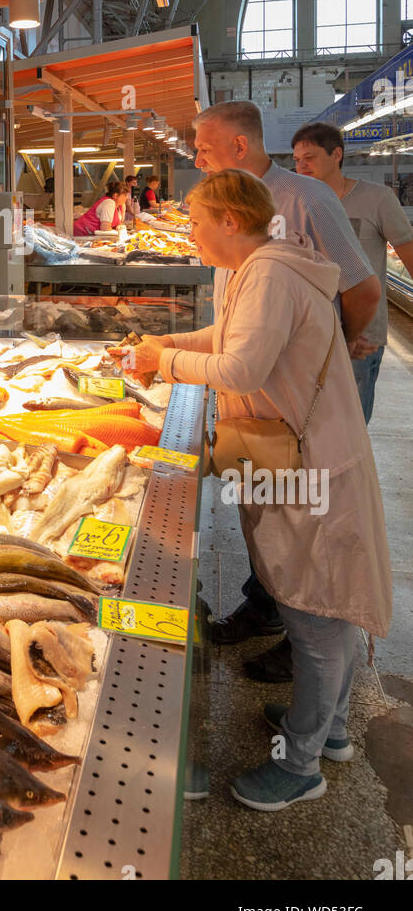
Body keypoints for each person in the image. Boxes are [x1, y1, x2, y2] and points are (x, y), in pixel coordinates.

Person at [132, 169, 391, 812]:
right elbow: (230, 341)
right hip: (301, 457)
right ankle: (325, 727)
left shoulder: (271, 272)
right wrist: (168, 342)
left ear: (229, 219)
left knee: (317, 615)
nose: (189, 234)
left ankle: (303, 765)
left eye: (194, 221)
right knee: (316, 603)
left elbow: (241, 366)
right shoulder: (265, 266)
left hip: (312, 468)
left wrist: (160, 362)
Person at [193, 100, 379, 681]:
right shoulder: (233, 213)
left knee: (309, 525)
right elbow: (239, 330)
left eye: (203, 148)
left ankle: (304, 643)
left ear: (239, 146)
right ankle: (274, 607)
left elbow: (363, 287)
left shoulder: (306, 199)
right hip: (262, 400)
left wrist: (332, 346)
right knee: (270, 509)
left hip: (303, 397)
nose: (196, 159)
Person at [292, 121, 413, 423]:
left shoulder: (377, 199)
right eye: (296, 160)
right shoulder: (295, 201)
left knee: (349, 427)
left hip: (361, 338)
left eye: (310, 157)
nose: (301, 166)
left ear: (336, 155)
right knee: (308, 428)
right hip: (308, 333)